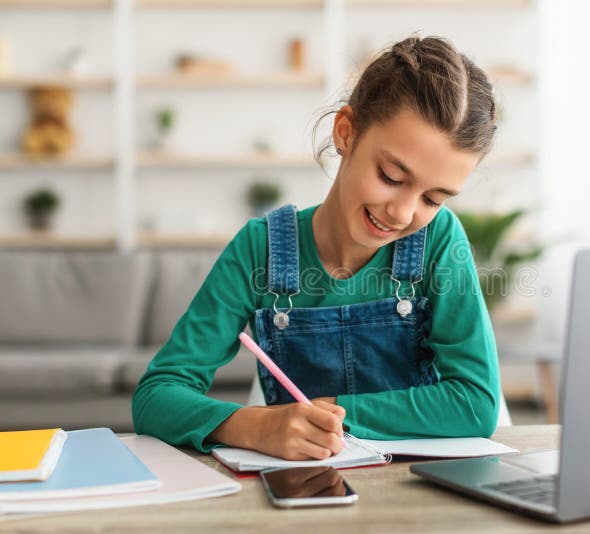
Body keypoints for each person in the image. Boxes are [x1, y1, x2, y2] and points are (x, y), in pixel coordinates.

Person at [132, 35, 501, 461]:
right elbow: (155, 396)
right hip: (303, 491)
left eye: (433, 199)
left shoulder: (438, 241)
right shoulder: (260, 249)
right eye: (391, 176)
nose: (402, 213)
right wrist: (253, 425)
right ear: (345, 133)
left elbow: (475, 403)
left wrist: (335, 414)